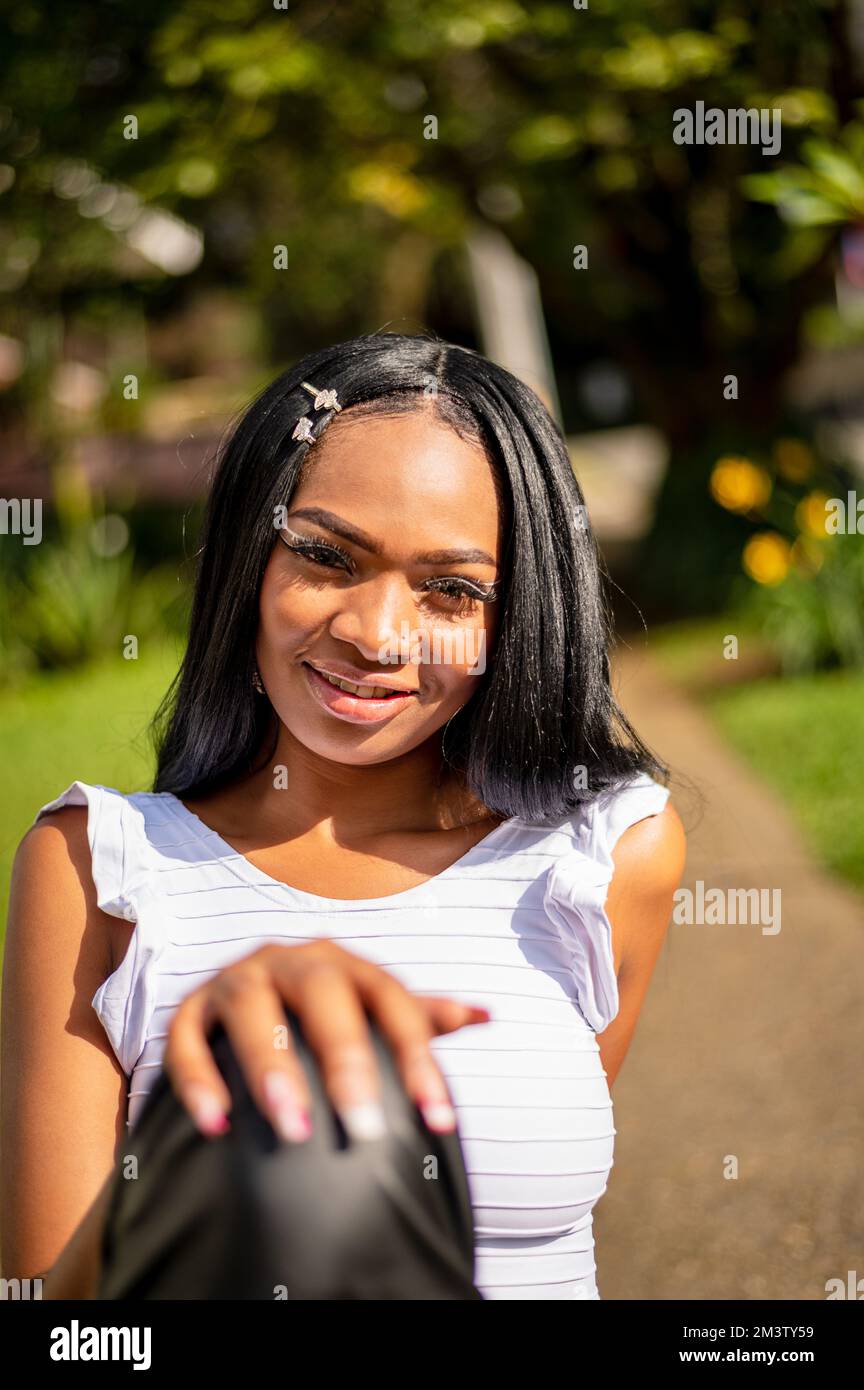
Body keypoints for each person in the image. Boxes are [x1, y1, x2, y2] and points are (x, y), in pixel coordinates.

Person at [1, 331, 686, 1300]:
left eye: (452, 589)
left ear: (518, 615)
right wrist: (206, 1118)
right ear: (250, 556)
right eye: (325, 555)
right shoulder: (98, 868)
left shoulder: (606, 857)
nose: (375, 634)